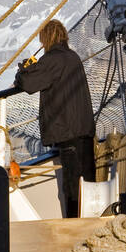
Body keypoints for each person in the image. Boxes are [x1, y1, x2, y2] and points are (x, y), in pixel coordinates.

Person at [15, 19, 96, 218]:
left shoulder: (52, 59)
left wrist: (23, 69)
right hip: (83, 129)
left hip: (67, 132)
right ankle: (86, 222)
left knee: (72, 187)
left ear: (46, 38)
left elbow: (29, 84)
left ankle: (73, 225)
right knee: (86, 183)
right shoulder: (72, 56)